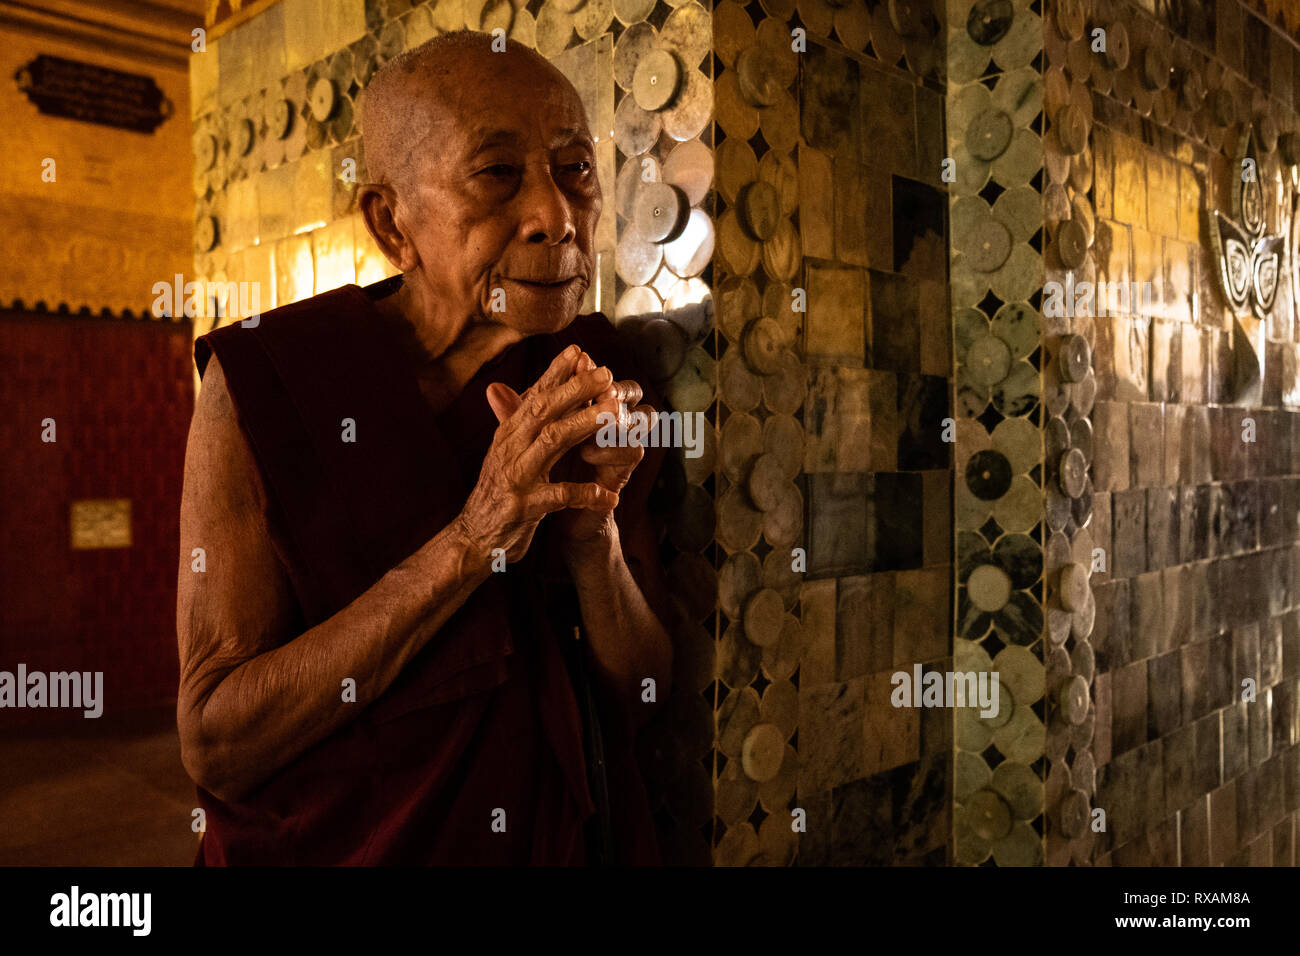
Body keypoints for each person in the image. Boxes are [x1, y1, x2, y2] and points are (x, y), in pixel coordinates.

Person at [175, 29, 672, 865]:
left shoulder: (589, 372)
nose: (556, 218)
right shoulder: (266, 380)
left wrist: (594, 540)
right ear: (391, 222)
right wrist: (475, 541)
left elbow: (647, 693)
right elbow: (219, 742)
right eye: (498, 174)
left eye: (575, 168)